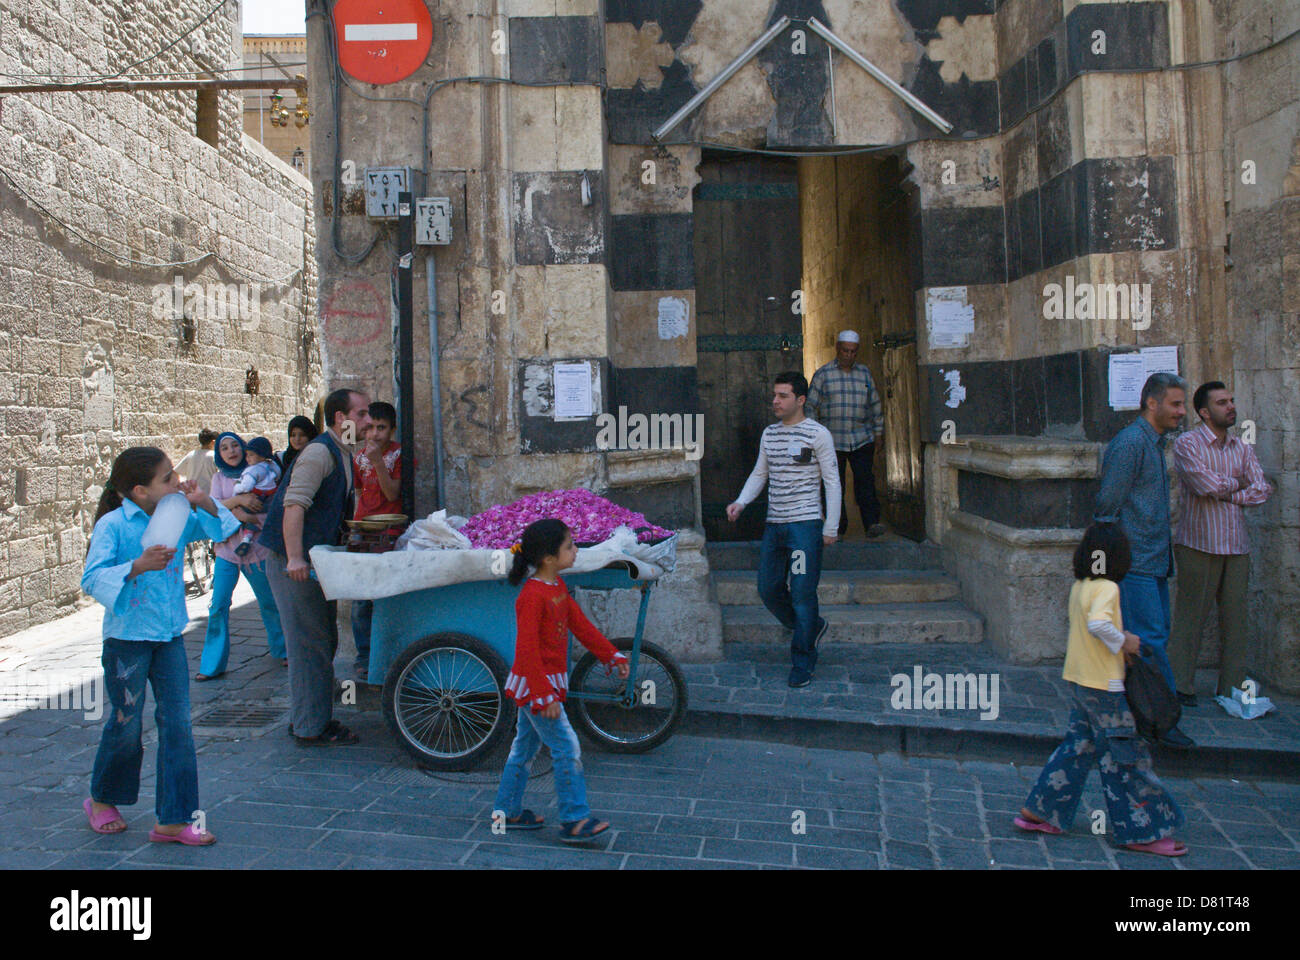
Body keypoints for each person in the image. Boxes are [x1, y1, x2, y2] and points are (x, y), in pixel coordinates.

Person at [80, 446, 240, 845]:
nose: (177, 482)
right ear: (140, 491)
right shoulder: (114, 526)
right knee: (126, 722)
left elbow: (224, 531)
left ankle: (174, 818)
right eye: (168, 478)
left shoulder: (179, 515)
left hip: (169, 636)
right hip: (126, 641)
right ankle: (102, 799)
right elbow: (92, 578)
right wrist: (136, 566)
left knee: (178, 723)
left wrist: (203, 499)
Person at [1014, 523, 1188, 856]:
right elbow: (1098, 625)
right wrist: (1126, 641)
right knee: (1127, 759)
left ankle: (1042, 809)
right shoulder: (1107, 588)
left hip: (1079, 680)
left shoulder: (1082, 585)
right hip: (1104, 686)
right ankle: (1143, 830)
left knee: (1077, 748)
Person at [492, 519, 629, 842]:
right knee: (567, 747)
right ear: (548, 558)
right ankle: (574, 819)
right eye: (570, 546)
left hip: (544, 686)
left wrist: (611, 655)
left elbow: (580, 626)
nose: (576, 550)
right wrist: (544, 697)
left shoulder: (556, 588)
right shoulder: (532, 596)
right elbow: (525, 651)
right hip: (537, 688)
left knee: (523, 750)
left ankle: (507, 811)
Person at [259, 388, 371, 746]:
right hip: (293, 563)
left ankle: (313, 719)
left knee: (322, 640)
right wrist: (294, 558)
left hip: (312, 562)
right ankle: (310, 728)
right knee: (309, 645)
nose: (368, 421)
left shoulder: (342, 452)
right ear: (341, 418)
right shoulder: (319, 453)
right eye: (363, 413)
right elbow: (294, 506)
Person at [1093, 371, 1194, 748]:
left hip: (1154, 559)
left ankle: (1137, 712)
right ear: (1152, 403)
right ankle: (1163, 720)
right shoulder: (1132, 443)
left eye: (1182, 404)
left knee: (1151, 638)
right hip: (1134, 561)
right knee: (1149, 639)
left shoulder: (1154, 443)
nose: (1181, 412)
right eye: (1175, 404)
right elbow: (1106, 505)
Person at [726, 371, 841, 688]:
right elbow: (759, 473)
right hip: (775, 528)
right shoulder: (769, 434)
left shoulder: (818, 435)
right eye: (775, 395)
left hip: (804, 528)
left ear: (800, 400)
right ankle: (810, 627)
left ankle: (803, 660)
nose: (775, 401)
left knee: (802, 593)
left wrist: (830, 526)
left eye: (783, 396)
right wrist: (741, 502)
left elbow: (832, 481)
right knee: (767, 587)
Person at [1168, 381, 1273, 706]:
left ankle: (1230, 689)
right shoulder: (1188, 444)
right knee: (1191, 617)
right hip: (1199, 542)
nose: (1231, 407)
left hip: (1235, 545)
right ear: (1203, 412)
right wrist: (1237, 486)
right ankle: (1180, 686)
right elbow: (1202, 484)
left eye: (1231, 400)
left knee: (1236, 620)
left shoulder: (1242, 447)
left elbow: (1262, 489)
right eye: (1222, 402)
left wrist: (1228, 491)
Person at [195, 432, 288, 681]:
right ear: (219, 454)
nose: (231, 451)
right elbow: (213, 506)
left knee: (269, 602)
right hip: (227, 551)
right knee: (218, 605)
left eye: (235, 445)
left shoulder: (261, 473)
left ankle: (283, 650)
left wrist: (244, 514)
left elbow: (268, 509)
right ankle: (211, 665)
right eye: (224, 448)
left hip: (256, 550)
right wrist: (239, 503)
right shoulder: (218, 477)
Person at [806, 330, 886, 538]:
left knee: (865, 482)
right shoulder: (823, 375)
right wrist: (815, 436)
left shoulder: (864, 374)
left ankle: (872, 524)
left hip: (861, 438)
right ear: (837, 349)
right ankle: (838, 528)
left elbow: (875, 405)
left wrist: (878, 433)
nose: (849, 355)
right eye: (845, 351)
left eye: (853, 352)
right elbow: (810, 407)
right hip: (832, 440)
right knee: (834, 484)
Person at [350, 401, 402, 683]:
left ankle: (390, 653)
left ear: (392, 429)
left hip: (389, 532)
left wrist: (379, 462)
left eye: (381, 428)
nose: (375, 434)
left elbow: (393, 494)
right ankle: (365, 656)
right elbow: (359, 493)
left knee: (386, 596)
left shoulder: (399, 455)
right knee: (360, 600)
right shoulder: (358, 458)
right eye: (369, 428)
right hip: (363, 532)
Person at [232, 437, 282, 557]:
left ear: (261, 455)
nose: (247, 458)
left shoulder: (253, 470)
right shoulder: (272, 465)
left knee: (238, 512)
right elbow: (278, 475)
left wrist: (236, 488)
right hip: (270, 498)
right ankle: (247, 538)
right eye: (247, 455)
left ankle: (244, 537)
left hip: (256, 498)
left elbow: (246, 487)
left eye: (251, 455)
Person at [174, 429, 219, 495]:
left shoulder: (191, 454)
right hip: (209, 496)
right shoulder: (215, 456)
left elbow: (176, 472)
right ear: (213, 442)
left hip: (192, 496)